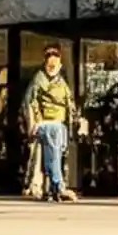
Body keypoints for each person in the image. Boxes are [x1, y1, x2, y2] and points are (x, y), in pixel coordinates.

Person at [21, 45, 77, 202]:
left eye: (56, 63)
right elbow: (29, 101)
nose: (53, 66)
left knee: (56, 155)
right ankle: (58, 186)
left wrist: (74, 119)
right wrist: (34, 123)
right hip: (46, 123)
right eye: (50, 63)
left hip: (60, 123)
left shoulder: (61, 81)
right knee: (53, 155)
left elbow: (69, 102)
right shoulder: (39, 79)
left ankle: (51, 189)